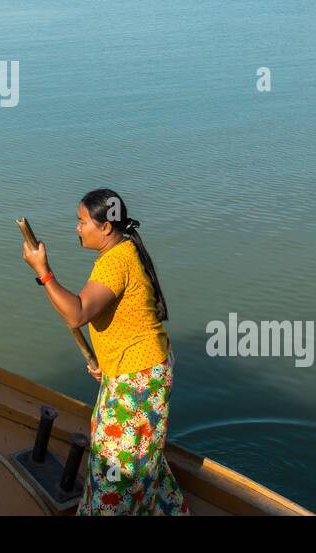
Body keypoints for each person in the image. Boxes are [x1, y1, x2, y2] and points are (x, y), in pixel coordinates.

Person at [22, 188, 191, 516]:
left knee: (117, 464)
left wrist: (43, 272)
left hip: (138, 378)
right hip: (137, 370)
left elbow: (77, 314)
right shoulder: (123, 250)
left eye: (82, 221)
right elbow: (118, 319)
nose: (77, 228)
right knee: (139, 455)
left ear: (106, 227)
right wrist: (108, 363)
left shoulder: (115, 262)